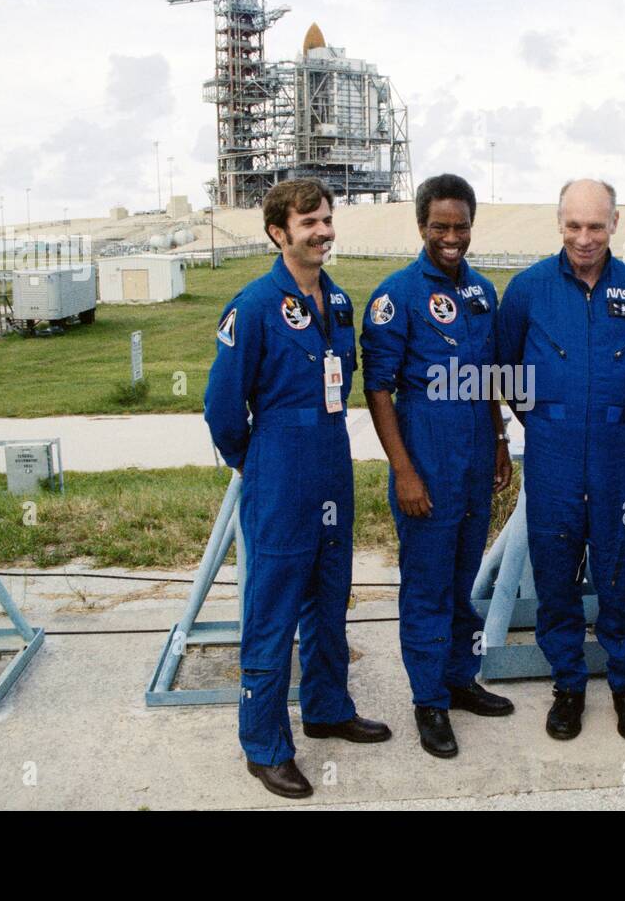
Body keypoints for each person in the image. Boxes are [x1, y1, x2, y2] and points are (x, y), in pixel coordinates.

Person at [204, 178, 390, 800]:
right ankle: (263, 746)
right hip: (280, 464)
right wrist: (254, 464)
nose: (323, 230)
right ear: (278, 233)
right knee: (274, 606)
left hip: (332, 456)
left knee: (330, 594)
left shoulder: (337, 304)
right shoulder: (253, 307)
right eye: (308, 222)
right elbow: (223, 408)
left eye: (327, 219)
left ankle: (328, 707)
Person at [496, 179, 625, 742]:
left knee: (620, 570)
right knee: (556, 571)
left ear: (615, 223)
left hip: (616, 452)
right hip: (553, 451)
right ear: (558, 223)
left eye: (595, 225)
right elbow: (504, 370)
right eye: (573, 225)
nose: (584, 238)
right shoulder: (527, 289)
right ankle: (568, 685)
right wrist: (541, 419)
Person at [360, 174, 515, 759]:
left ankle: (457, 677)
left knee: (462, 580)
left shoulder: (480, 293)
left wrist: (499, 439)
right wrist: (404, 470)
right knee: (426, 584)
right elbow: (378, 389)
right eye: (440, 226)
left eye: (461, 226)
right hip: (426, 447)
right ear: (421, 225)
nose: (452, 237)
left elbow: (491, 373)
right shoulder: (395, 295)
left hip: (475, 449)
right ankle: (428, 700)